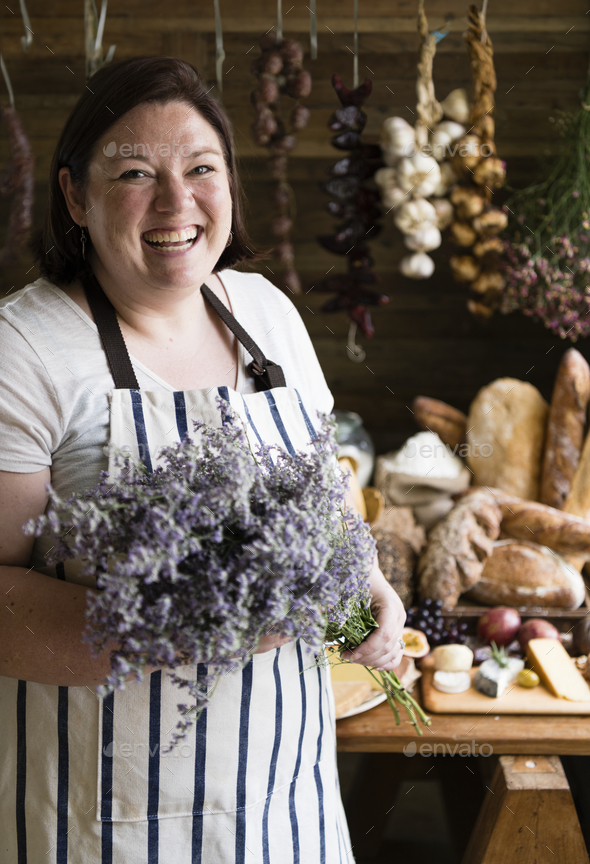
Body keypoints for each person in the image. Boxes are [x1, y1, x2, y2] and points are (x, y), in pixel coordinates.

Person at [0, 56, 406, 863]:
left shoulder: (264, 311)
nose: (176, 202)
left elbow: (327, 500)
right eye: (135, 173)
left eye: (201, 168)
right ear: (75, 195)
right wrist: (184, 629)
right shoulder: (25, 349)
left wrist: (372, 592)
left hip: (285, 806)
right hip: (101, 820)